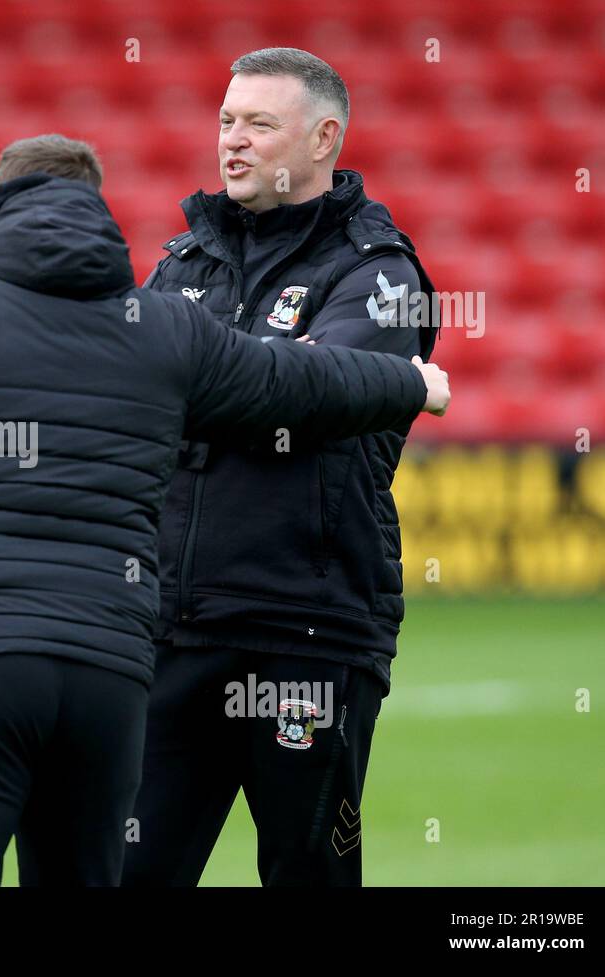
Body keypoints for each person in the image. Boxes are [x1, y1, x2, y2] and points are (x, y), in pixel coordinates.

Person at [0, 134, 449, 886]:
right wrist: (408, 384)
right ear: (96, 207)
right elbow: (294, 381)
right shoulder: (162, 327)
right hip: (108, 672)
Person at [122, 48, 441, 888]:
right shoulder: (181, 262)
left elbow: (307, 400)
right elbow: (141, 405)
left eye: (259, 124)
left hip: (310, 632)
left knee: (311, 878)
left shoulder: (382, 271)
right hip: (175, 627)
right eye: (227, 120)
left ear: (323, 137)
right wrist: (268, 366)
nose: (233, 140)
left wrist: (221, 378)